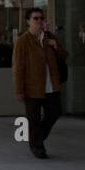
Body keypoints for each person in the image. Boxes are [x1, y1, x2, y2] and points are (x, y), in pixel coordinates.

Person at [13, 8, 66, 159]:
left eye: (41, 18)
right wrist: (19, 89)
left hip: (51, 85)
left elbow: (64, 56)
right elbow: (18, 67)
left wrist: (55, 46)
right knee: (33, 117)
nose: (39, 21)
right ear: (28, 21)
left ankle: (37, 137)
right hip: (32, 86)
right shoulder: (23, 41)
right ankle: (37, 147)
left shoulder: (49, 37)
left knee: (55, 112)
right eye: (35, 18)